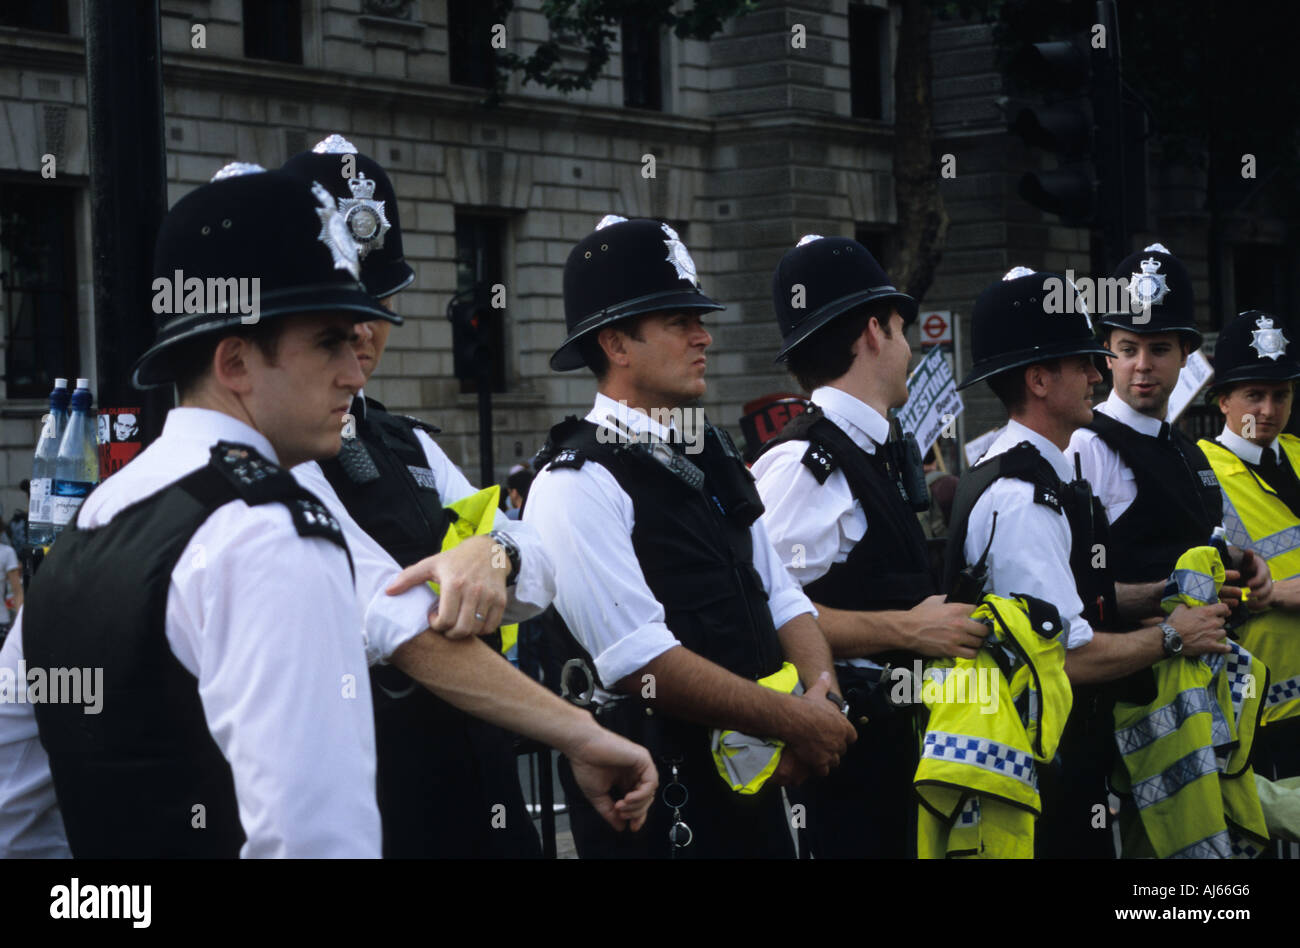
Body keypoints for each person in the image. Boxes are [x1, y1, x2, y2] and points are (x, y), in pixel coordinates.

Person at [0, 168, 655, 858]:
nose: (355, 368)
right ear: (236, 363)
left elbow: (16, 812)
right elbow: (315, 839)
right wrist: (583, 733)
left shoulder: (90, 526)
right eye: (327, 342)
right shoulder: (269, 532)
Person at [279, 136, 653, 858]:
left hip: (484, 805)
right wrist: (575, 731)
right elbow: (399, 627)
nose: (362, 329)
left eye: (377, 303)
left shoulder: (409, 445)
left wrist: (494, 555)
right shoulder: (266, 466)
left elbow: (539, 567)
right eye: (339, 306)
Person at [526, 215, 856, 858]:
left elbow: (783, 597)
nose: (703, 335)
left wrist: (826, 702)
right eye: (679, 321)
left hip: (754, 801)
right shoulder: (578, 481)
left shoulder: (710, 454)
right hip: (660, 817)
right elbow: (641, 663)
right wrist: (796, 721)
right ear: (618, 345)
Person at [944, 267, 1231, 858]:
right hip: (1042, 772)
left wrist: (1158, 596)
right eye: (1084, 362)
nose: (1101, 373)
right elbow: (1066, 656)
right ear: (1040, 379)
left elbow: (1065, 607)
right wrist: (1174, 638)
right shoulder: (1023, 499)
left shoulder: (1040, 473)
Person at [750, 234, 987, 857]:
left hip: (892, 762)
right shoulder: (805, 464)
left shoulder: (871, 450)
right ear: (875, 332)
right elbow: (765, 612)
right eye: (903, 330)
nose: (909, 349)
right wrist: (908, 631)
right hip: (846, 783)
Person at [1068, 244, 1270, 613]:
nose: (1142, 365)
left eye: (1159, 349)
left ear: (1185, 354)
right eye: (1128, 350)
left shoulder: (1187, 450)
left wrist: (1241, 561)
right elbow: (1071, 594)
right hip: (1128, 667)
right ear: (1108, 354)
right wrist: (1169, 599)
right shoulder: (1085, 446)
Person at [1197, 310, 1300, 790]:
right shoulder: (1200, 477)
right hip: (1256, 711)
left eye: (1280, 395)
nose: (1268, 409)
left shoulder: (1298, 453)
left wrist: (1277, 592)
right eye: (1253, 395)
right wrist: (1275, 594)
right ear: (1223, 401)